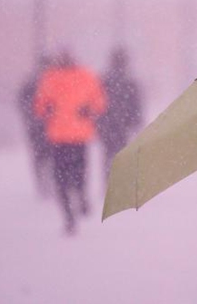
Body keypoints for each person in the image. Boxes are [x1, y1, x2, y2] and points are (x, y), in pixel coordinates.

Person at [34, 49, 107, 235]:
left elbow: (40, 107)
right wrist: (87, 111)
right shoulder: (86, 75)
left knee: (60, 179)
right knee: (80, 172)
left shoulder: (49, 78)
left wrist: (50, 111)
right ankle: (81, 197)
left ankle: (69, 217)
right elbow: (99, 103)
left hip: (58, 137)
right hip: (80, 136)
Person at [98, 46, 143, 184]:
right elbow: (136, 104)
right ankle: (118, 182)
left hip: (108, 124)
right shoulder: (129, 81)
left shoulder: (104, 80)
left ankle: (108, 180)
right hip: (123, 124)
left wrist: (98, 123)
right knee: (121, 154)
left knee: (108, 154)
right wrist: (136, 121)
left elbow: (98, 103)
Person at [17, 54, 54, 198]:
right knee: (45, 157)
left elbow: (22, 103)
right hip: (44, 128)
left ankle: (44, 185)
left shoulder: (32, 83)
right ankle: (45, 184)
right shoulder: (38, 84)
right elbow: (23, 103)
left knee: (42, 157)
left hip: (41, 128)